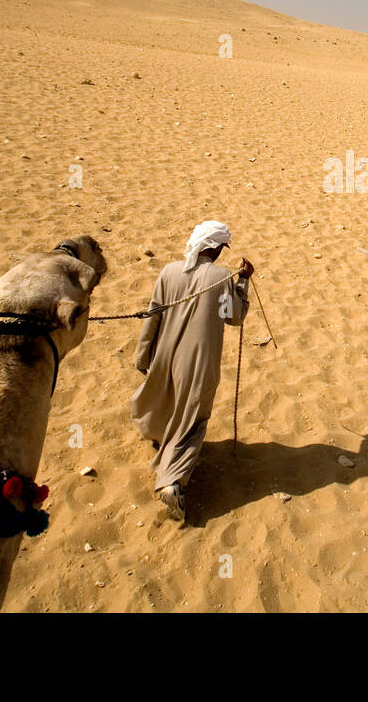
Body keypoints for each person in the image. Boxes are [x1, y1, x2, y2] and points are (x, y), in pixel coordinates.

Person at [130, 221, 253, 525]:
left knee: (165, 400)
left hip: (163, 355)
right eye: (221, 247)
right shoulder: (221, 277)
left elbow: (152, 315)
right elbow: (234, 316)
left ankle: (163, 443)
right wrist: (242, 283)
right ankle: (173, 482)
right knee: (193, 420)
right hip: (198, 364)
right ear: (213, 247)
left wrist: (143, 354)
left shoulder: (169, 271)